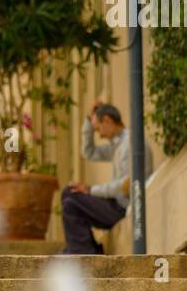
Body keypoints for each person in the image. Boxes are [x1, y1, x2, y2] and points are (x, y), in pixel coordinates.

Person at [60, 101, 154, 254]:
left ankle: (84, 253)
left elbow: (125, 186)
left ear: (108, 120)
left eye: (98, 129)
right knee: (69, 194)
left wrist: (91, 190)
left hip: (123, 207)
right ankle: (83, 251)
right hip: (115, 203)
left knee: (71, 201)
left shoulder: (130, 143)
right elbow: (88, 152)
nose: (100, 135)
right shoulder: (117, 145)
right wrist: (88, 121)